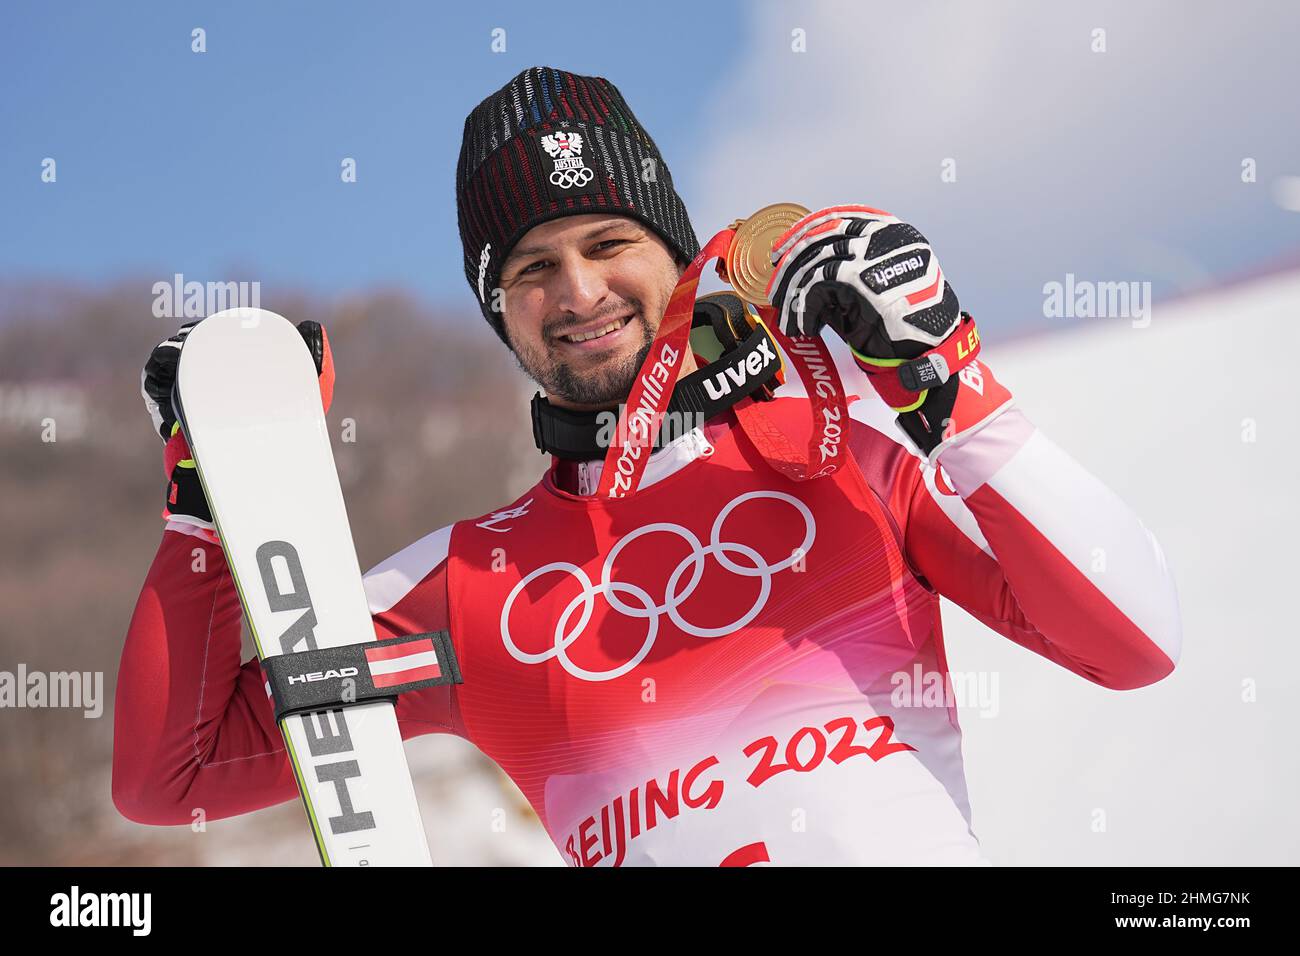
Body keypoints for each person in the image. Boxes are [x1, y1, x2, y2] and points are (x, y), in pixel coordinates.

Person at [114, 66, 1181, 866]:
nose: (578, 291)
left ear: (678, 252)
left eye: (608, 239)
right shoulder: (467, 589)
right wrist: (209, 501)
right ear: (499, 310)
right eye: (532, 267)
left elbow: (1132, 641)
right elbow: (172, 774)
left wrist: (945, 376)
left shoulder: (851, 452)